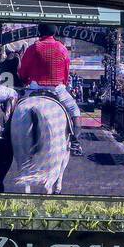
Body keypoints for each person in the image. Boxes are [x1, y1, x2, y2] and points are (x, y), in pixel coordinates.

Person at [18, 23, 84, 156]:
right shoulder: (62, 48)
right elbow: (66, 72)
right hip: (57, 90)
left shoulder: (32, 48)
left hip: (34, 88)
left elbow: (23, 71)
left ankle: (7, 137)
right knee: (75, 111)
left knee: (15, 110)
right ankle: (75, 142)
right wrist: (63, 84)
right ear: (54, 33)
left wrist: (25, 80)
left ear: (39, 32)